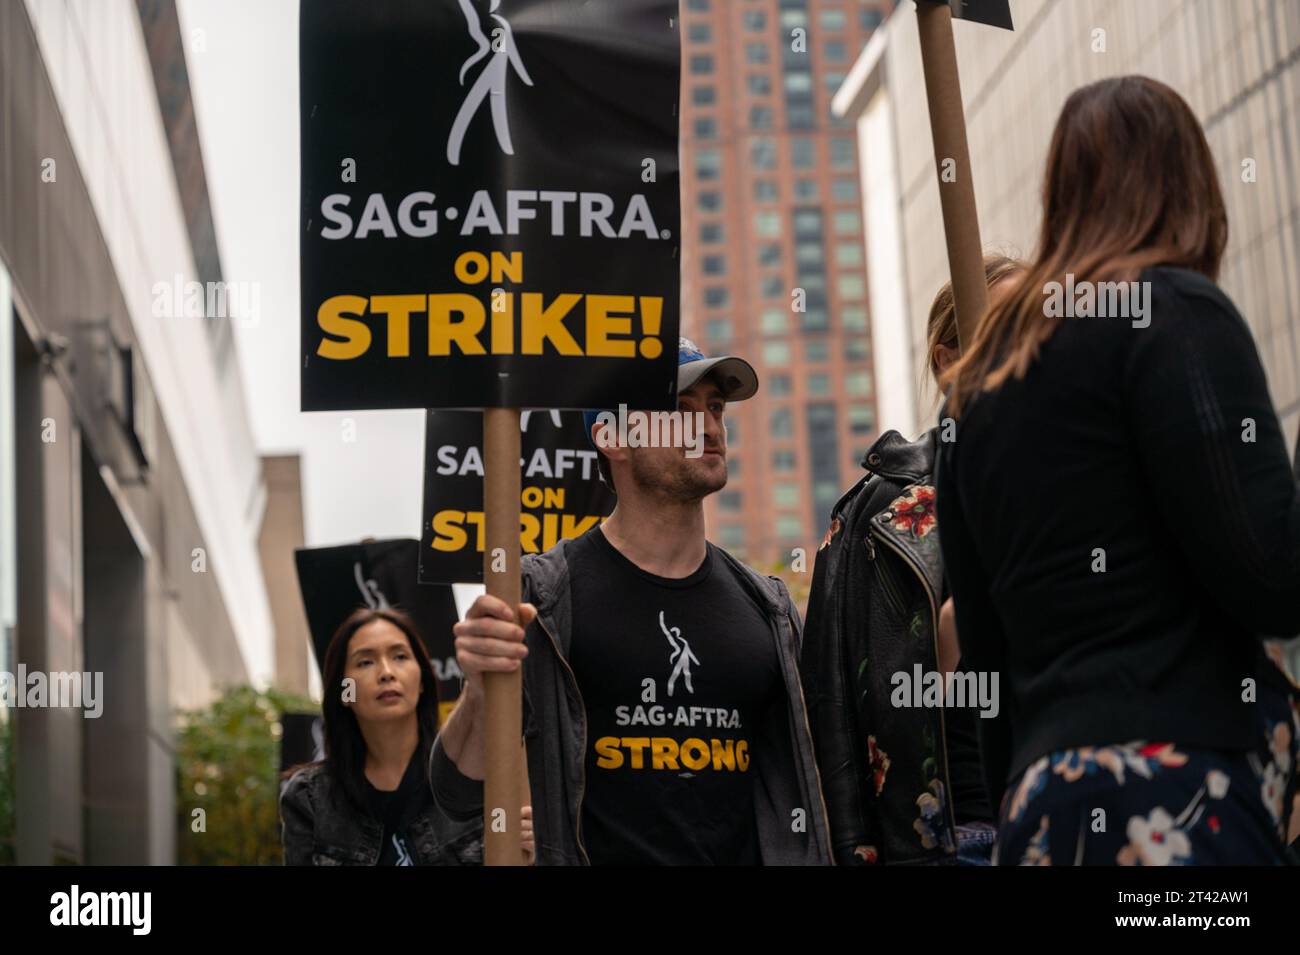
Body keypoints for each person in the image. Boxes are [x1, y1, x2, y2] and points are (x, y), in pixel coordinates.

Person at [935, 75, 1300, 864]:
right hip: (1176, 795)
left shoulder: (975, 389)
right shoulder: (1174, 313)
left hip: (1041, 806)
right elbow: (1275, 576)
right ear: (1190, 184)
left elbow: (985, 660)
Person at [430, 338, 833, 865]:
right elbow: (458, 794)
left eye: (715, 407)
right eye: (681, 410)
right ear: (612, 438)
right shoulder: (542, 597)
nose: (709, 428)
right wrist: (483, 691)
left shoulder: (769, 608)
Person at [801, 255, 1023, 866]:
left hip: (1065, 821)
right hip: (946, 840)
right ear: (947, 360)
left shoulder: (1084, 495)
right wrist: (853, 847)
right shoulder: (876, 513)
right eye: (1004, 329)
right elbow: (832, 701)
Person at [280, 607, 510, 865]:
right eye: (365, 662)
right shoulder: (309, 796)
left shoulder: (470, 773)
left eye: (400, 657)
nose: (386, 672)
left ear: (422, 680)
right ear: (345, 691)